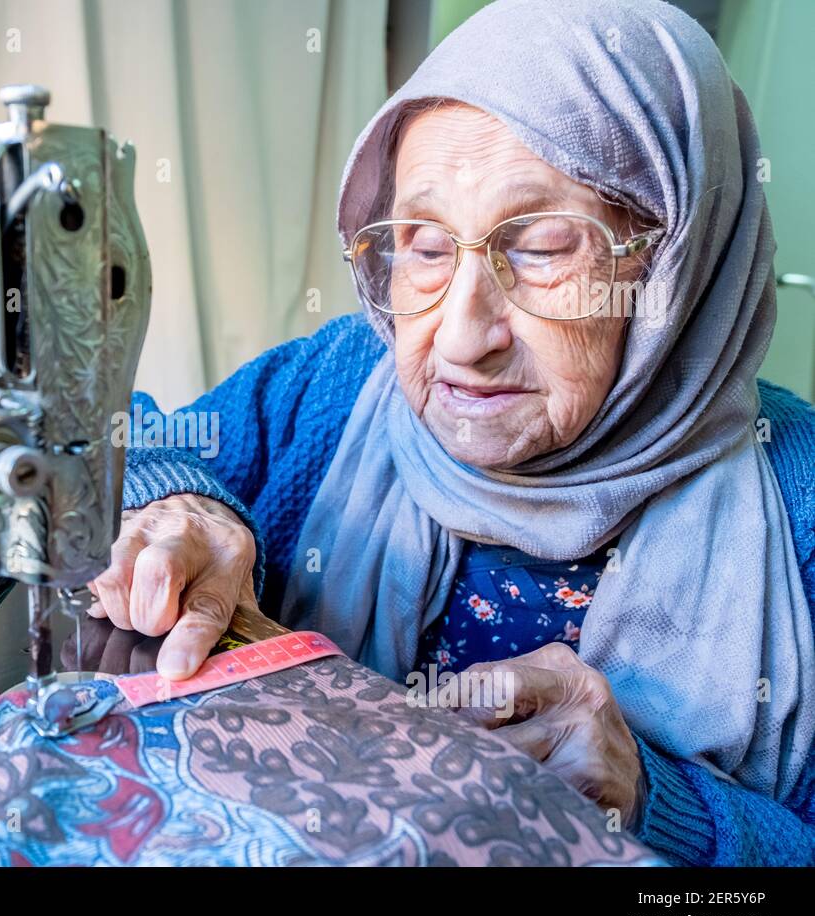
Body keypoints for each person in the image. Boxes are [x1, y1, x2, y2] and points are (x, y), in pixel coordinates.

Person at [87, 0, 815, 865]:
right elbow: (123, 435)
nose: (463, 337)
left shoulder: (797, 508)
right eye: (425, 248)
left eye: (543, 248)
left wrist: (661, 805)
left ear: (678, 268)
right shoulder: (336, 380)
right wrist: (182, 506)